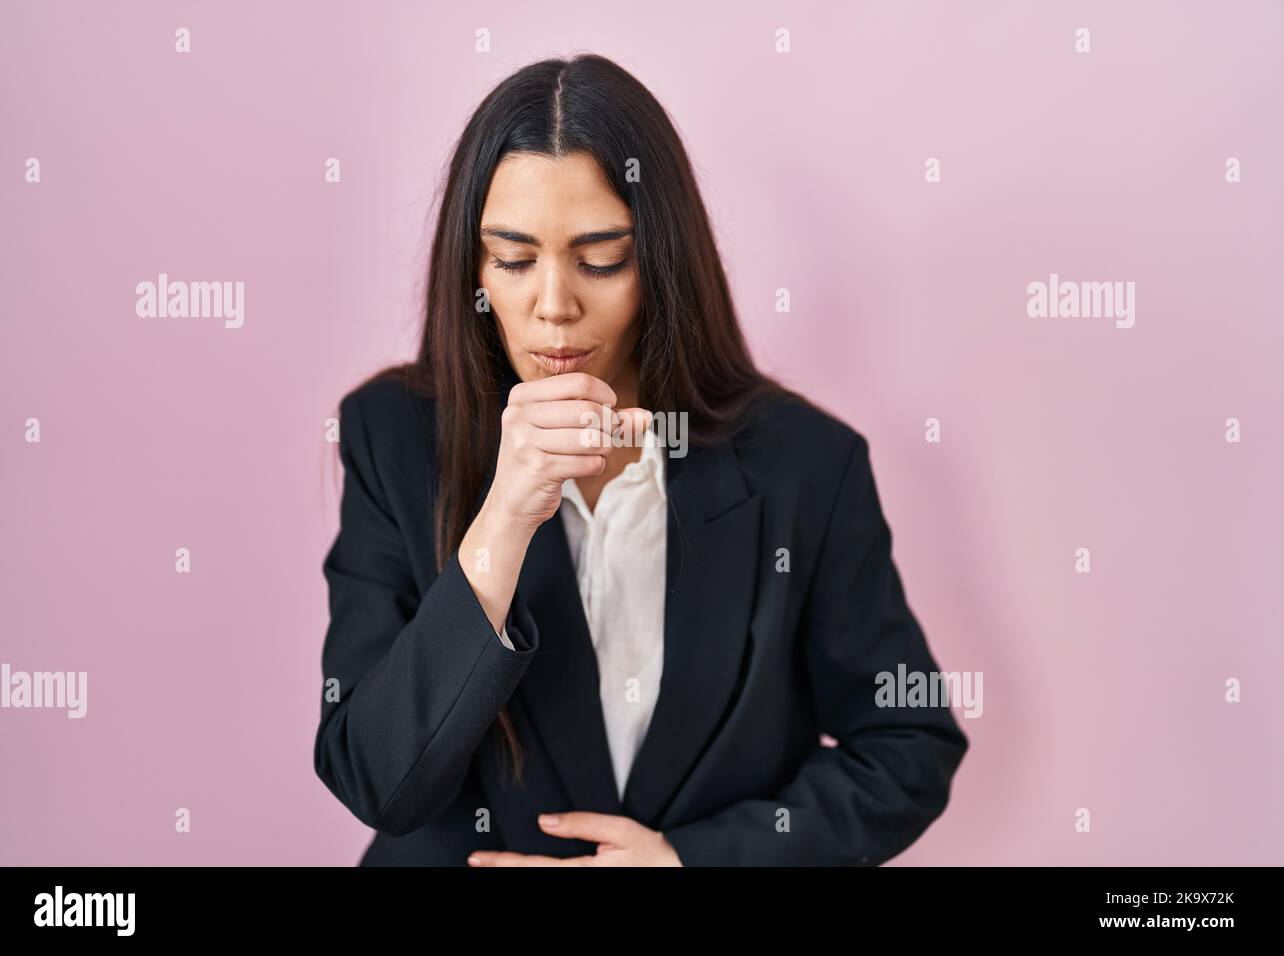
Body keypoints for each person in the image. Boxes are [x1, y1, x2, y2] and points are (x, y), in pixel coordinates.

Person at [313, 53, 968, 866]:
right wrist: (505, 518)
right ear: (472, 266)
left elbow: (907, 744)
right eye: (513, 261)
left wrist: (692, 862)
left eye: (601, 259)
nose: (553, 306)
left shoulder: (806, 464)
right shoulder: (392, 436)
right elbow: (374, 778)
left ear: (661, 258)